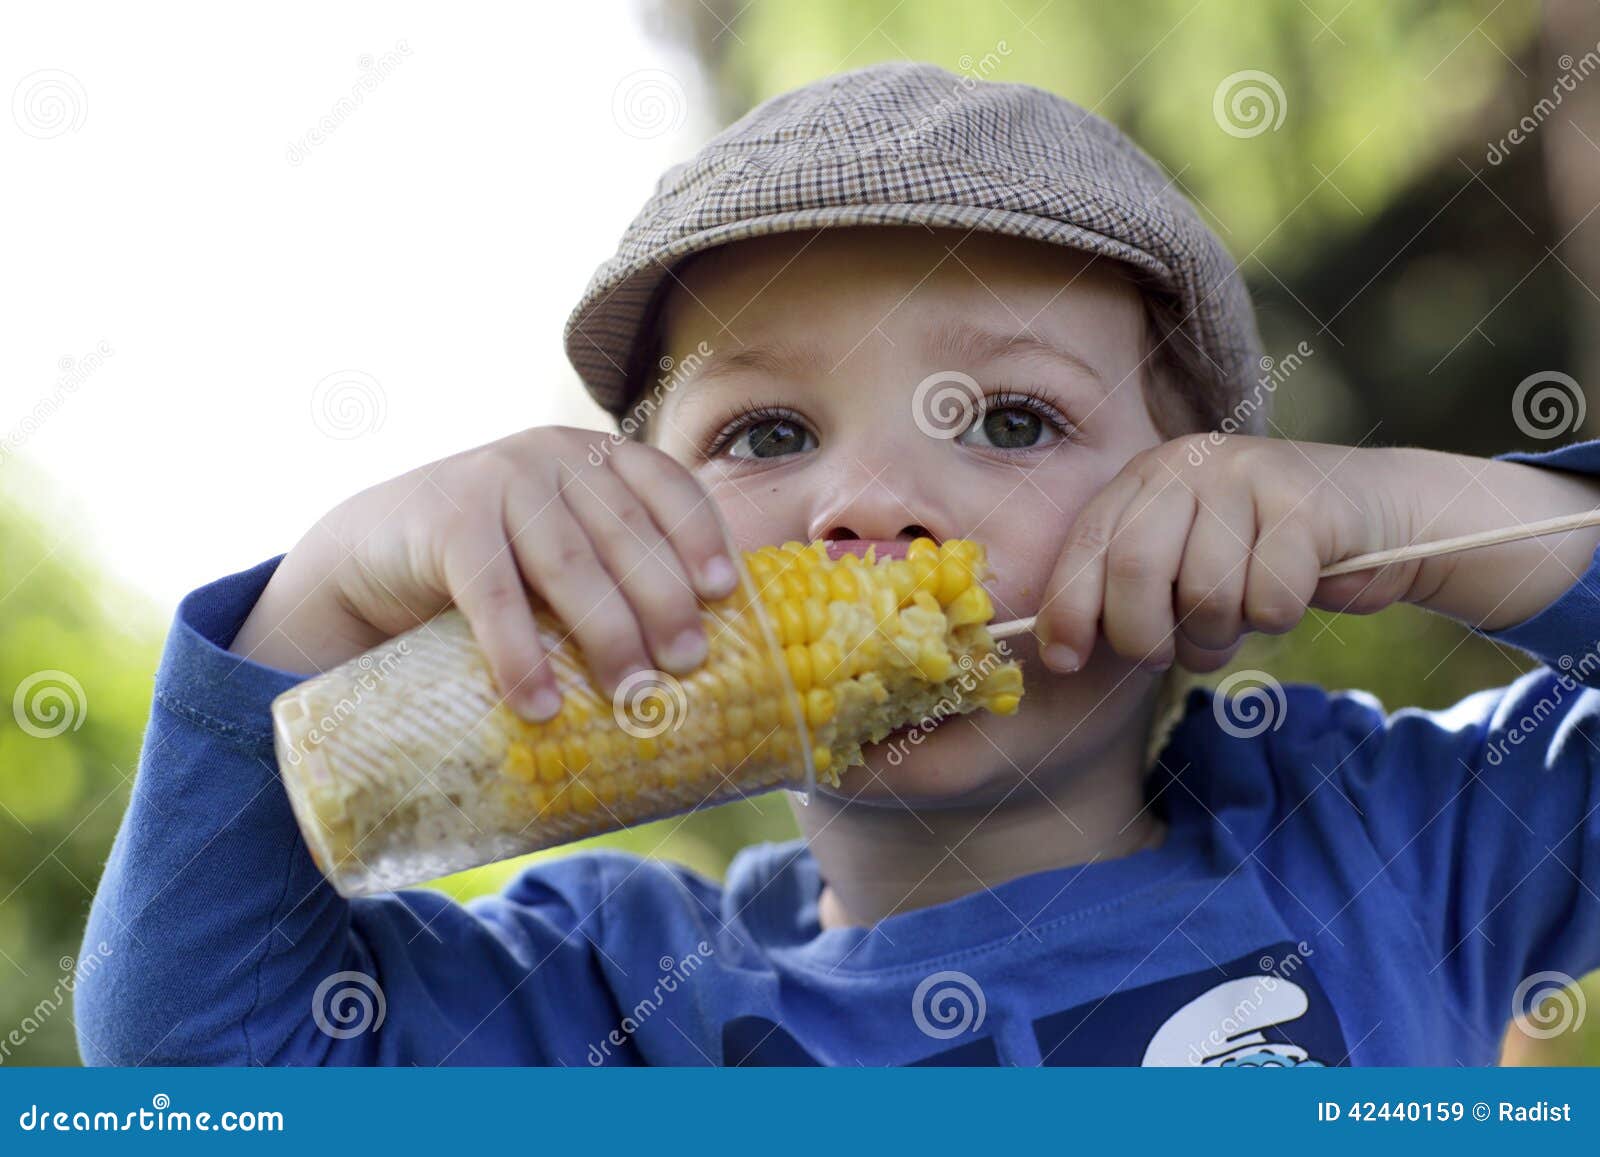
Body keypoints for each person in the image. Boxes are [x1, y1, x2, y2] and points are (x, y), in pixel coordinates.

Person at [78, 63, 1600, 1066]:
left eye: (1009, 418)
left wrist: (1418, 514)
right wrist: (323, 606)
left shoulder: (1391, 841)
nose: (866, 504)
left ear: (1219, 514)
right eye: (765, 432)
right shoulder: (608, 990)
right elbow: (188, 1051)